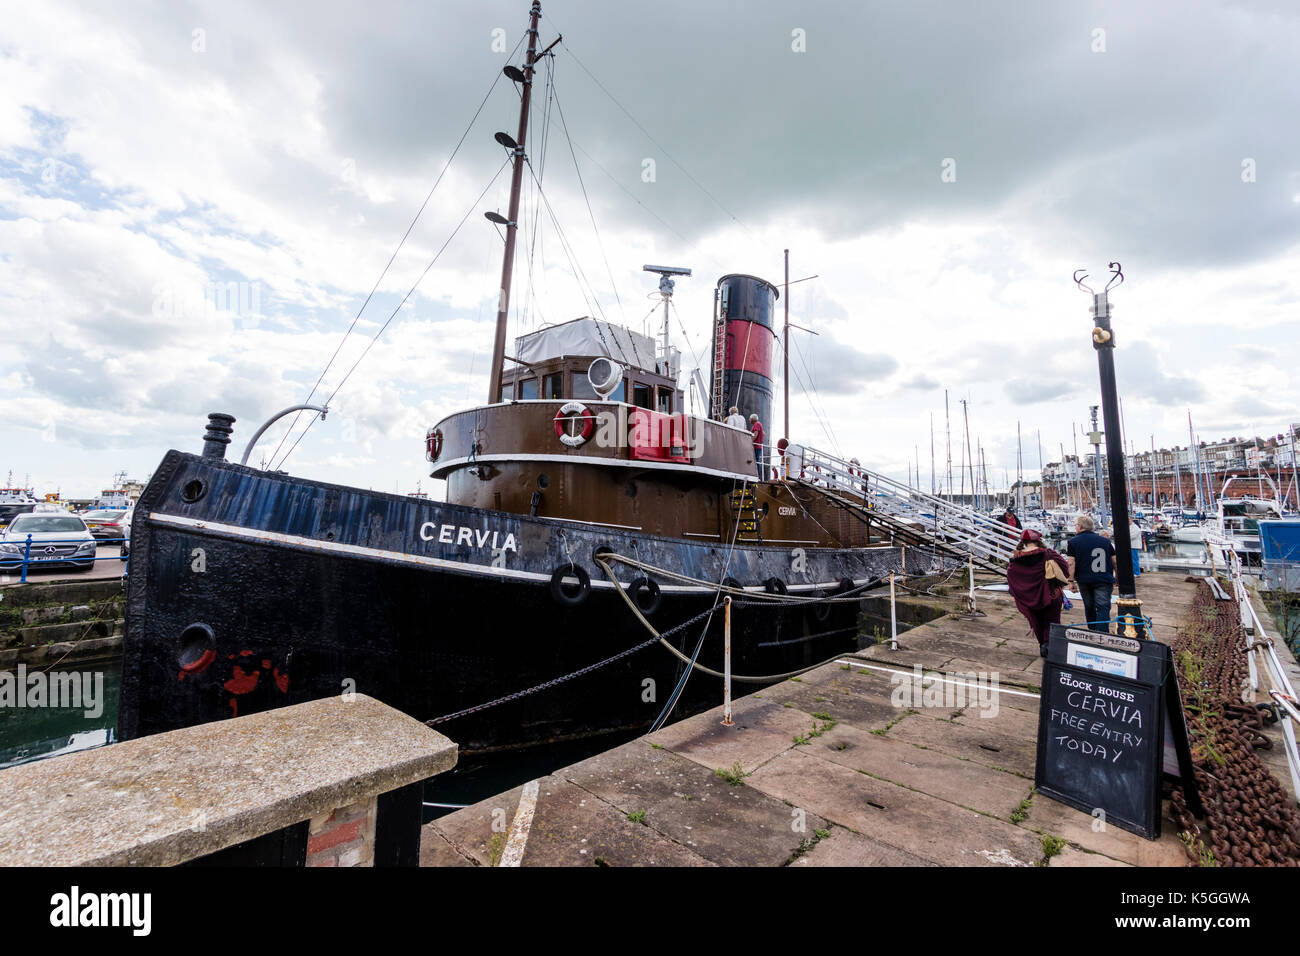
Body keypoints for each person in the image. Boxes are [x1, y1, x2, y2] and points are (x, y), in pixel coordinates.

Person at [1006, 528, 1069, 657]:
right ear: (1038, 540)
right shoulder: (1048, 553)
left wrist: (1019, 592)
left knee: (1037, 623)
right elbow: (1064, 566)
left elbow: (1011, 576)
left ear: (1023, 542)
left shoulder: (1016, 558)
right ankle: (1049, 646)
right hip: (1050, 594)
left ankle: (1043, 645)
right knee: (1052, 622)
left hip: (1027, 598)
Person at [1065, 514, 1115, 633]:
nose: (1075, 528)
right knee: (1103, 606)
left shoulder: (1073, 542)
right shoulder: (1105, 541)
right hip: (1103, 578)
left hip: (1084, 579)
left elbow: (1071, 563)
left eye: (1076, 525)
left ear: (1080, 527)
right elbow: (1115, 561)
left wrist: (1071, 581)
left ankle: (1092, 630)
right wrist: (1117, 576)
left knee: (1089, 606)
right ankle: (1102, 632)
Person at [749, 414, 765, 479]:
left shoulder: (757, 424)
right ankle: (756, 475)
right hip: (758, 446)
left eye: (750, 418)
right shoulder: (759, 424)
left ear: (753, 419)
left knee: (756, 461)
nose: (749, 420)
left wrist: (749, 442)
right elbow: (763, 433)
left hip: (756, 447)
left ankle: (756, 476)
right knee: (756, 461)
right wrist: (760, 440)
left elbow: (755, 435)